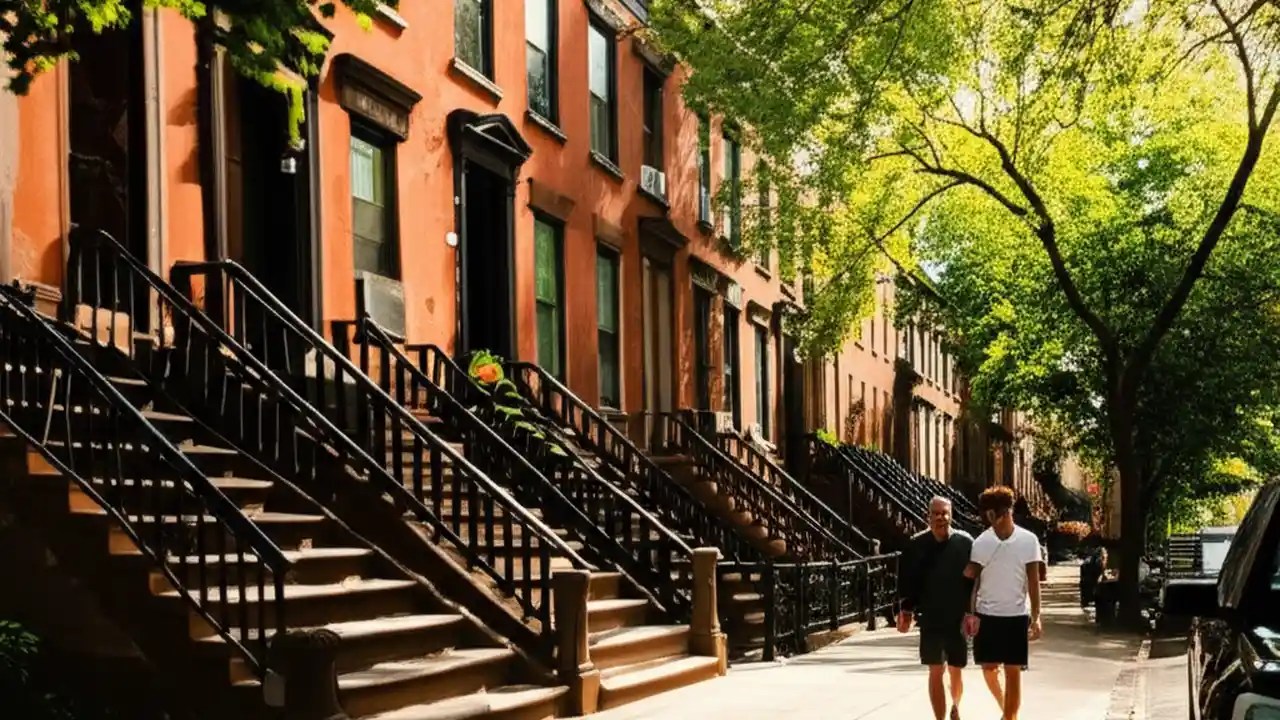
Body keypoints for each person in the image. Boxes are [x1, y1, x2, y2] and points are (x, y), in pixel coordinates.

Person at [963, 486, 1044, 720]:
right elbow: (973, 582)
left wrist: (1037, 616)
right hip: (987, 614)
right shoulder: (981, 543)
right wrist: (969, 614)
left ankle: (1009, 717)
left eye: (992, 514)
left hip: (1016, 614)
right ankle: (1007, 709)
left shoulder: (1029, 541)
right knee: (989, 670)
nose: (989, 520)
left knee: (1013, 672)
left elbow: (1033, 581)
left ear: (1006, 512)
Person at [897, 497, 975, 720]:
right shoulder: (916, 545)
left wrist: (973, 612)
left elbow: (976, 582)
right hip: (930, 617)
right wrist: (906, 611)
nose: (941, 517)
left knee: (956, 669)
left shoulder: (966, 543)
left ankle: (956, 706)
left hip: (958, 617)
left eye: (945, 513)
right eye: (937, 513)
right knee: (935, 669)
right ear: (928, 516)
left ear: (951, 515)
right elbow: (908, 581)